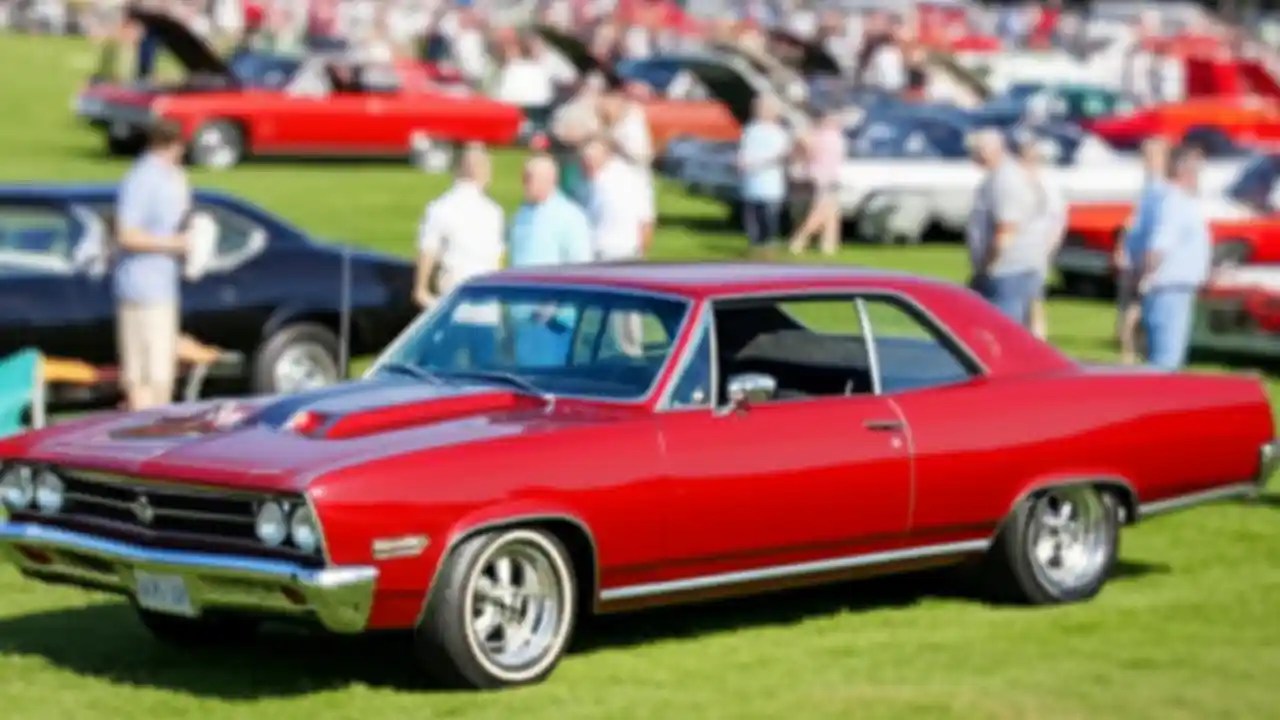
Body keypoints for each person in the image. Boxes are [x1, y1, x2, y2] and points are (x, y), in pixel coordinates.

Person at [113, 120, 191, 411]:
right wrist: (176, 244)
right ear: (175, 145)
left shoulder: (172, 177)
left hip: (163, 285)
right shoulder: (143, 179)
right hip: (142, 286)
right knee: (145, 375)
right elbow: (127, 234)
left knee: (162, 373)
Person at [412, 143, 504, 369]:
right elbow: (498, 260)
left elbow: (428, 251)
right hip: (486, 310)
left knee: (441, 374)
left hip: (452, 305)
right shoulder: (494, 213)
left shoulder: (440, 208)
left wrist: (422, 289)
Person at [507, 154, 594, 366]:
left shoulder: (569, 216)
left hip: (551, 320)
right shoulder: (522, 213)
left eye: (530, 178)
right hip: (521, 315)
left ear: (550, 180)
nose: (525, 183)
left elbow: (580, 266)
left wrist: (554, 304)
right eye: (524, 177)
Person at [1138, 144, 1212, 370]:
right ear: (1184, 172)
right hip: (1169, 287)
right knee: (1165, 360)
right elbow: (1159, 244)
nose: (1200, 177)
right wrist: (1148, 275)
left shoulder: (1180, 200)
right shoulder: (1174, 200)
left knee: (1168, 356)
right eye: (1197, 171)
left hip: (1178, 286)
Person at [965, 128, 1041, 323]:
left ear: (989, 151)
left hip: (1007, 270)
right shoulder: (998, 176)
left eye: (974, 150)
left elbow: (1006, 230)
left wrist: (986, 266)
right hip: (1007, 269)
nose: (972, 155)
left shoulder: (1005, 180)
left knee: (1002, 328)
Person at [1116, 137, 1170, 364]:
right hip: (1139, 255)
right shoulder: (1153, 186)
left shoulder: (1157, 187)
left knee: (1135, 307)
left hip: (1142, 256)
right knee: (1134, 307)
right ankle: (1129, 351)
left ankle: (1130, 351)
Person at [1010, 129, 1067, 340]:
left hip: (1036, 250)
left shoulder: (1046, 183)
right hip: (1020, 249)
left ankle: (1035, 339)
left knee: (1033, 299)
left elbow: (1056, 218)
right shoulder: (1018, 180)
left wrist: (1048, 247)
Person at [601, 83, 656, 254]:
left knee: (642, 219)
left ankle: (639, 254)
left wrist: (617, 142)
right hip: (612, 180)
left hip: (636, 179)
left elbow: (643, 155)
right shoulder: (608, 121)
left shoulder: (633, 118)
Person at [737, 94, 792, 257]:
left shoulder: (779, 132)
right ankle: (755, 246)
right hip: (751, 183)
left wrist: (759, 162)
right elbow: (744, 150)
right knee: (752, 218)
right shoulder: (750, 129)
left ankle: (768, 247)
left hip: (770, 184)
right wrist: (742, 162)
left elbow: (782, 155)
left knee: (768, 218)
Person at [788, 109, 846, 257]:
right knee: (821, 211)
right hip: (822, 178)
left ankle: (828, 244)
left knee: (831, 212)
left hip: (828, 177)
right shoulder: (825, 136)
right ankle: (800, 240)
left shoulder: (827, 136)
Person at [581, 137, 648, 262]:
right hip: (624, 251)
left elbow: (645, 221)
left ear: (606, 155)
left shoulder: (603, 180)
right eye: (585, 159)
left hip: (613, 252)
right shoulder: (633, 176)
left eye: (591, 159)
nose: (587, 163)